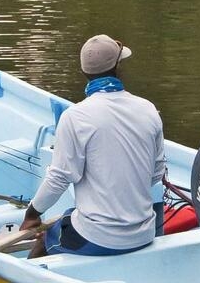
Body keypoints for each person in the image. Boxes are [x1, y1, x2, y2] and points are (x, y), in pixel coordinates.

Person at [20, 34, 166, 258]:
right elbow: (156, 175)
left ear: (84, 73)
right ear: (118, 67)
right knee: (70, 216)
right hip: (145, 234)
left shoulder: (74, 117)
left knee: (46, 239)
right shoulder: (148, 109)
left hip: (101, 238)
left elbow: (59, 178)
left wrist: (32, 214)